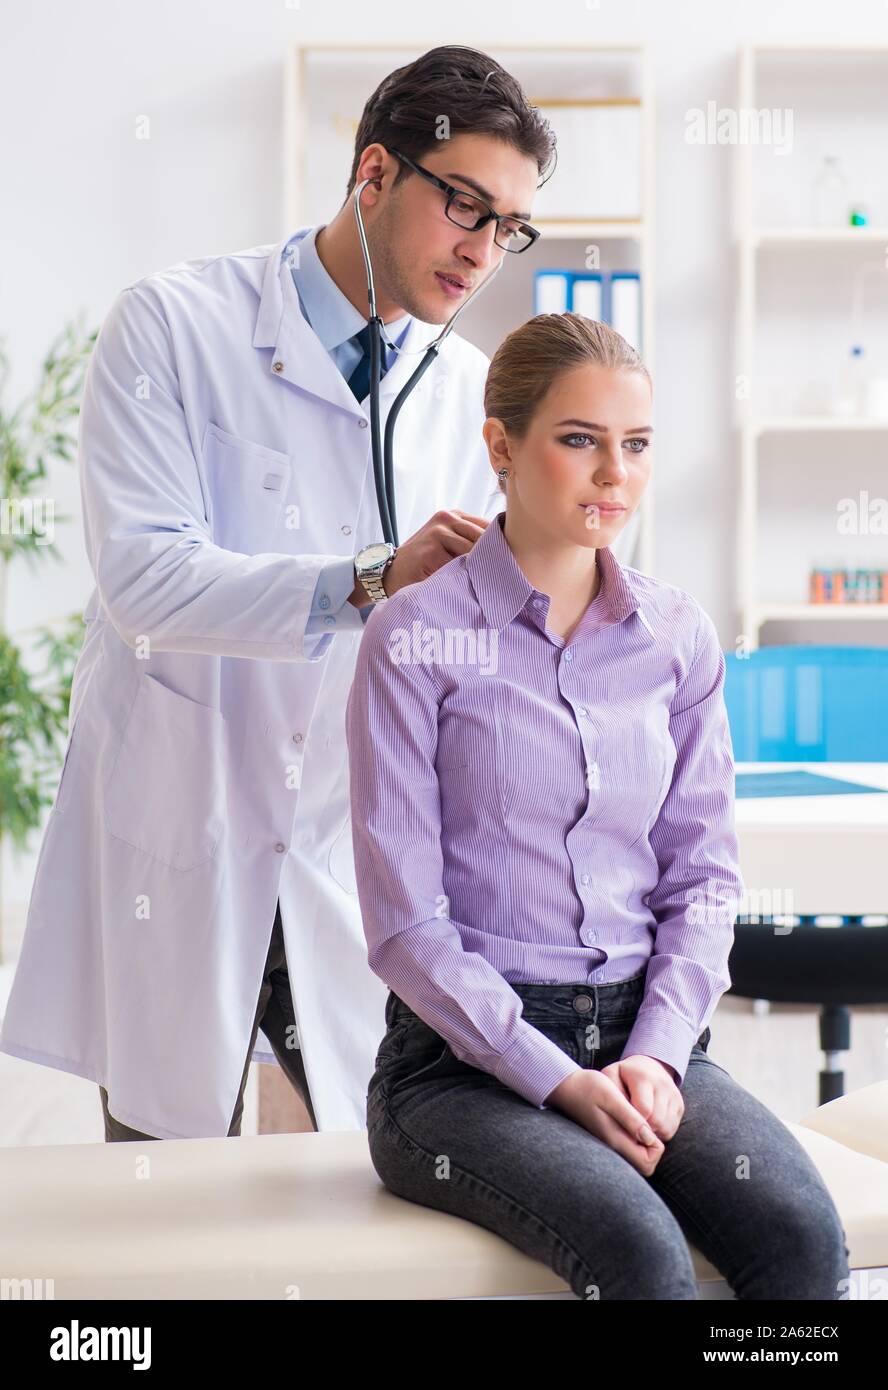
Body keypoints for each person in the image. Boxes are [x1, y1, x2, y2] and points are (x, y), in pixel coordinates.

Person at [0, 46, 555, 1140]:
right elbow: (146, 580)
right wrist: (365, 580)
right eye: (465, 207)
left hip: (351, 845)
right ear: (375, 175)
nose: (484, 252)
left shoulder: (461, 395)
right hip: (187, 819)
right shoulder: (172, 326)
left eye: (511, 228)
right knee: (163, 1186)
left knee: (345, 1181)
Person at [344, 313, 851, 1299]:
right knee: (640, 1252)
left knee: (796, 1233)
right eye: (579, 440)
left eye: (637, 445)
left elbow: (705, 877)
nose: (613, 473)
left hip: (649, 1041)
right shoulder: (413, 639)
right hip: (461, 1068)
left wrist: (657, 1055)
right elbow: (405, 924)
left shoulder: (675, 636)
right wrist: (560, 1081)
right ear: (502, 445)